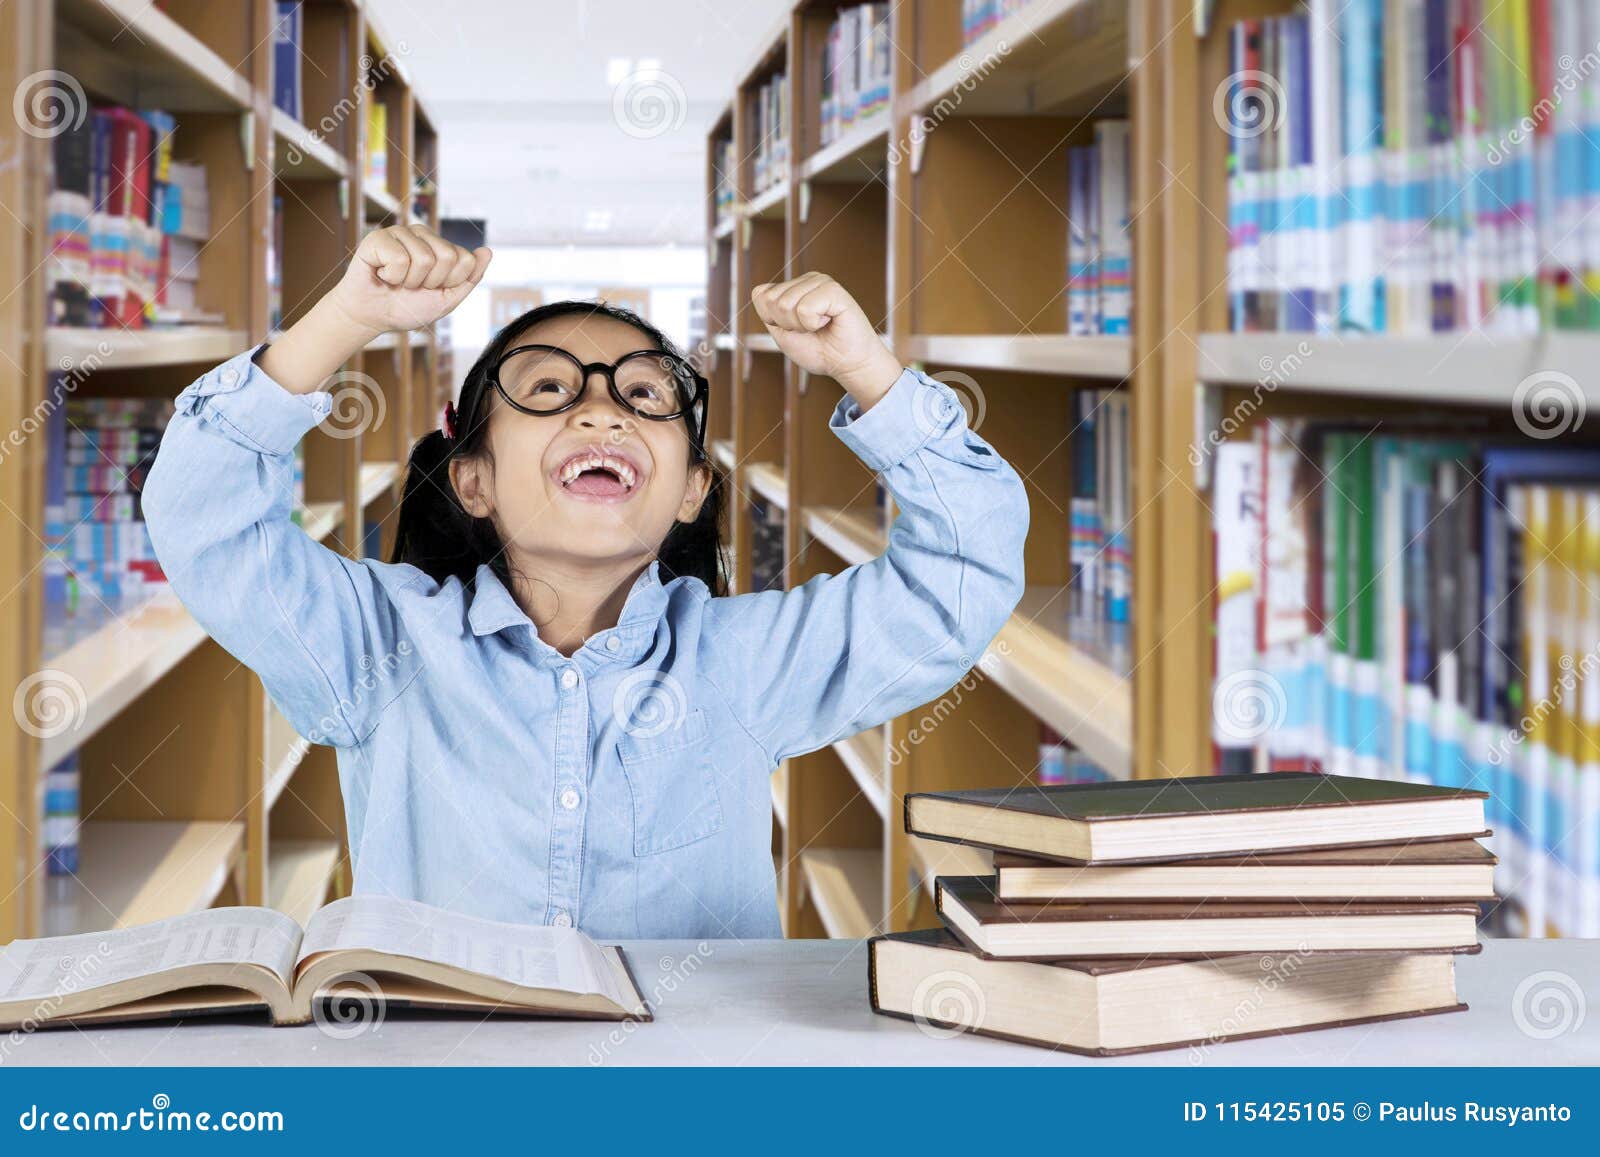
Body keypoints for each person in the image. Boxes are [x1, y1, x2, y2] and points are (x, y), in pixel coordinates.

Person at [141, 222, 1031, 939]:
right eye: (548, 389)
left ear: (691, 490)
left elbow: (960, 579)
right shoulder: (381, 645)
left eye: (646, 397)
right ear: (474, 479)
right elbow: (200, 515)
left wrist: (868, 372)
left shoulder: (745, 661)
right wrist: (344, 318)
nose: (602, 407)